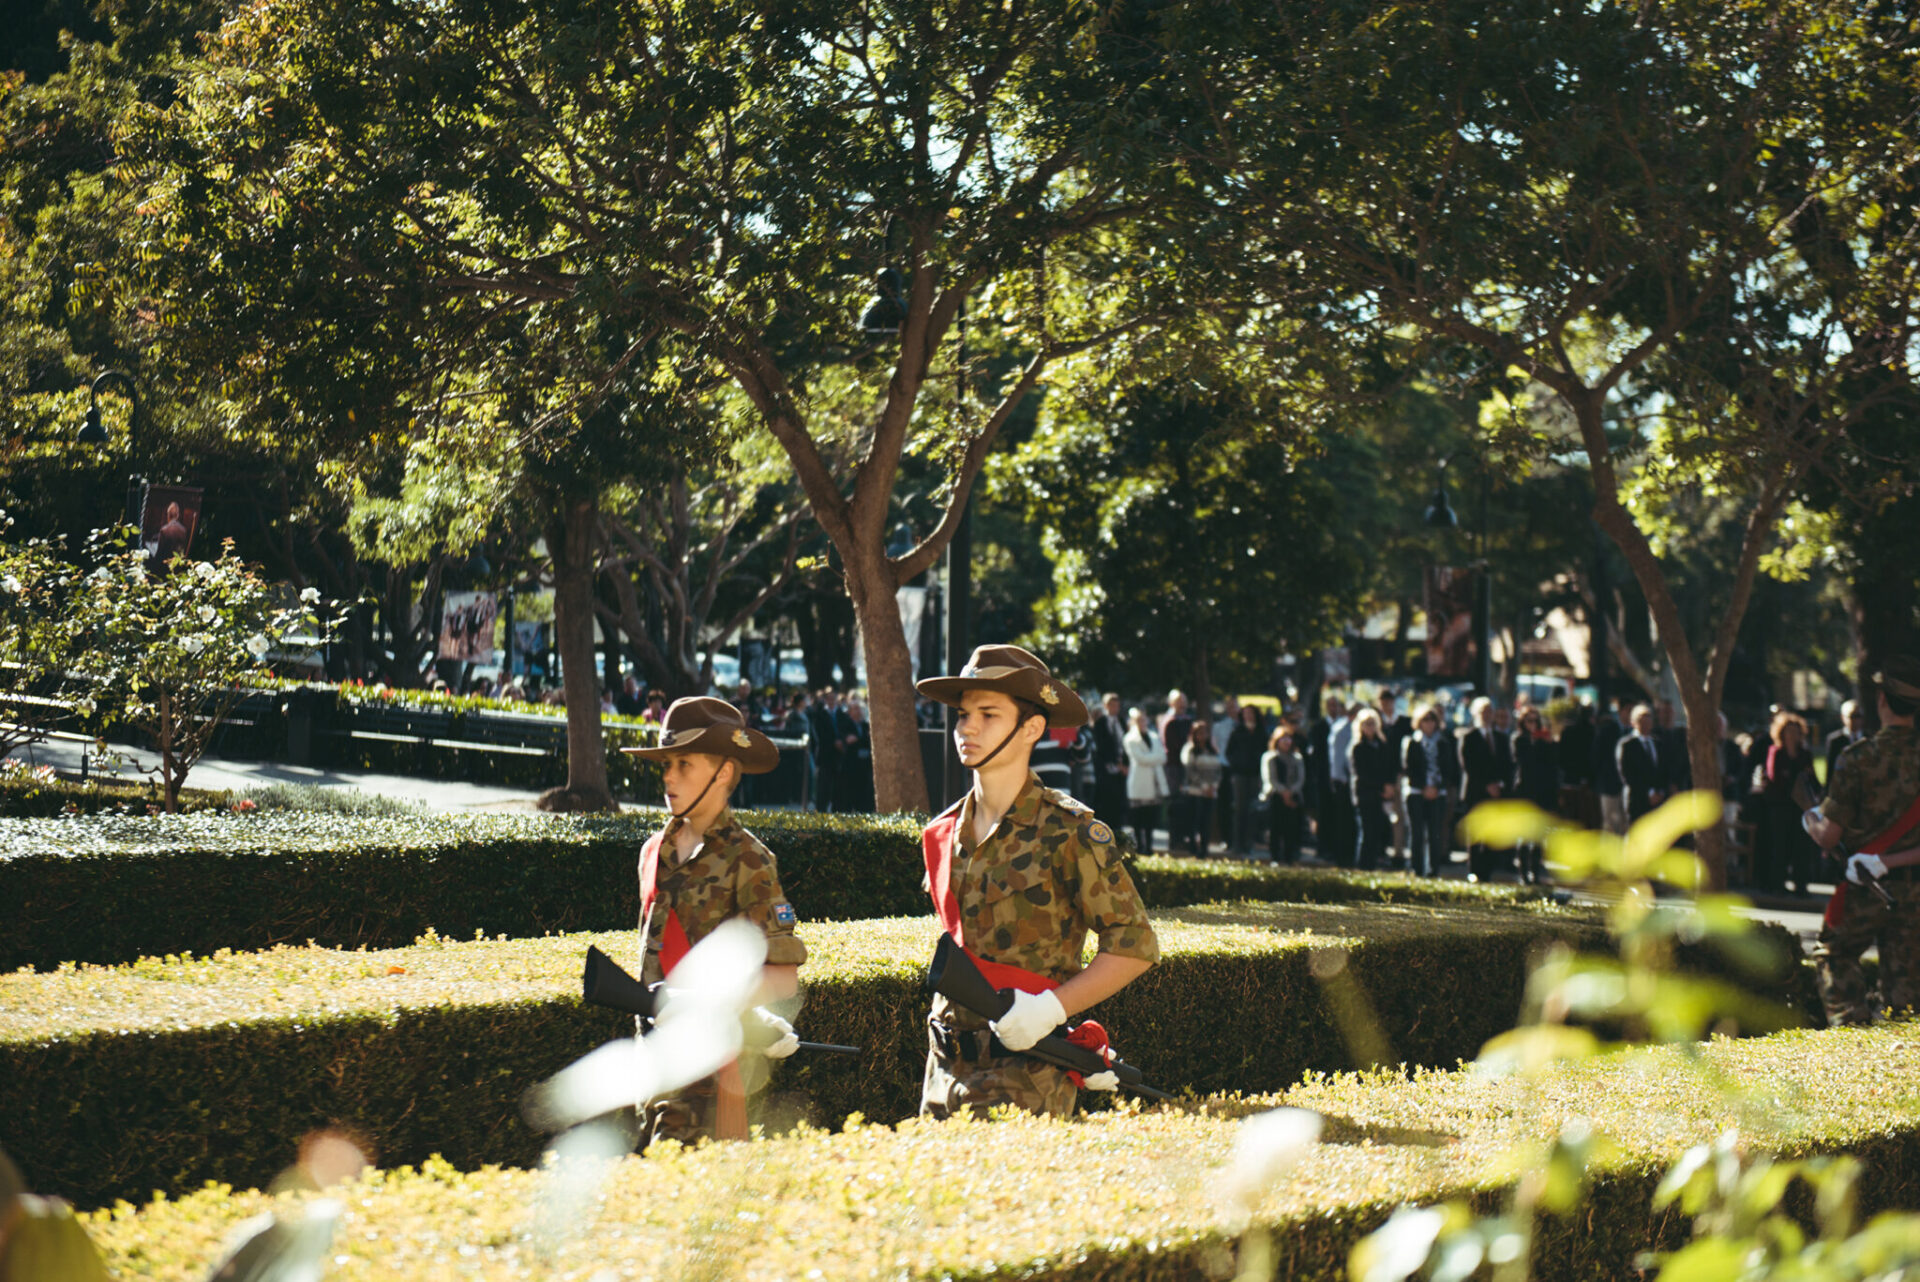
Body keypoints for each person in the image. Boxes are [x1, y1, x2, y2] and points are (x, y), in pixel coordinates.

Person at [915, 644, 1159, 1117]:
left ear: (1031, 728)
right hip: (941, 1072)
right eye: (964, 714)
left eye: (988, 714)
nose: (966, 727)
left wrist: (1053, 1009)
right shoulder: (943, 832)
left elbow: (1135, 945)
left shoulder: (1069, 832)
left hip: (1026, 1079)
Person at [620, 697, 809, 1144]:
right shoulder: (653, 853)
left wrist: (712, 1002)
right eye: (666, 763)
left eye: (684, 763)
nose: (668, 776)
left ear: (723, 772)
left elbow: (782, 977)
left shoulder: (750, 860)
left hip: (708, 1084)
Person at [1805, 656, 1920, 1025]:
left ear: (1882, 701)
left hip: (1864, 888)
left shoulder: (1857, 758)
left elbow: (1829, 837)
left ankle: (1853, 1035)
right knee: (1907, 991)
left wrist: (1810, 822)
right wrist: (1891, 861)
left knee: (1832, 954)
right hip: (1914, 890)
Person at [1761, 711, 1817, 894]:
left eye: (1796, 732)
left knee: (1801, 846)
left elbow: (1812, 779)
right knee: (1780, 845)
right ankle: (1777, 883)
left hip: (1800, 808)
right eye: (1789, 732)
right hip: (1780, 805)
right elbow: (1775, 777)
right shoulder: (1776, 752)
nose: (1792, 736)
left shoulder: (1805, 754)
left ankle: (1801, 885)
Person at [1402, 705, 1460, 877]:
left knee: (1435, 833)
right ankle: (1416, 869)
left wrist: (1437, 787)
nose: (1429, 724)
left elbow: (1449, 769)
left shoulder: (1443, 743)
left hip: (1438, 793)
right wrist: (1423, 787)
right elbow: (1409, 768)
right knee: (1417, 833)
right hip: (1416, 793)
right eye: (1425, 720)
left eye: (1432, 720)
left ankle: (1434, 870)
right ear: (1419, 722)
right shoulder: (1412, 742)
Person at [1460, 696, 1511, 882]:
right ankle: (1473, 870)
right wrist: (1486, 785)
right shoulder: (1469, 737)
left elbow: (1507, 765)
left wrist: (1500, 785)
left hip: (1496, 793)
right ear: (1475, 714)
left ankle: (1487, 871)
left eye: (1490, 712)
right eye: (1483, 712)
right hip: (1476, 791)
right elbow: (1469, 765)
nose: (1487, 715)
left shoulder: (1501, 738)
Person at [1511, 705, 1560, 884]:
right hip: (1525, 792)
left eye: (1535, 720)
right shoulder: (1519, 739)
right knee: (1524, 834)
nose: (1532, 724)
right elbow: (1523, 761)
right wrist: (1534, 742)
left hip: (1542, 792)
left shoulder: (1544, 740)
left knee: (1539, 835)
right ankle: (1523, 871)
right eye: (1528, 721)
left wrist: (1548, 742)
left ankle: (1536, 872)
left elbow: (1553, 762)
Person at [1349, 708, 1396, 872]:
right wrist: (1381, 787)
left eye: (1372, 723)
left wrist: (1389, 786)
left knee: (1378, 831)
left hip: (1381, 795)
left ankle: (1374, 863)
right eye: (1366, 724)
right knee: (1367, 832)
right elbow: (1361, 773)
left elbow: (1390, 767)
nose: (1369, 727)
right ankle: (1363, 866)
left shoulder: (1383, 745)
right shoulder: (1358, 747)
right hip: (1365, 794)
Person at [1376, 690, 1414, 867]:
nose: (1386, 705)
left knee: (1402, 816)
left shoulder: (1405, 723)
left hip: (1401, 776)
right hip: (1382, 779)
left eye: (1389, 701)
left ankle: (1401, 853)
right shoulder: (1377, 724)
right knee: (1386, 816)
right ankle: (1385, 851)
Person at [1123, 707, 1168, 853]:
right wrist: (1155, 758)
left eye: (1144, 719)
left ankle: (1149, 846)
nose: (1142, 722)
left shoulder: (1154, 736)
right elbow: (1140, 759)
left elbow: (1163, 756)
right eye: (1139, 720)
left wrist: (1153, 758)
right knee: (1138, 817)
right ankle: (1139, 846)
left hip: (1153, 783)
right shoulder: (1130, 738)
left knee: (1150, 816)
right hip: (1139, 782)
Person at [1224, 704, 1266, 855]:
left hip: (1255, 775)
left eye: (1251, 713)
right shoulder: (1237, 732)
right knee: (1239, 809)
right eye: (1245, 713)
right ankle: (1237, 844)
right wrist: (1238, 764)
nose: (1248, 716)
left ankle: (1249, 843)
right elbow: (1229, 753)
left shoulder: (1261, 732)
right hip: (1240, 775)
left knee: (1252, 810)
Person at [1261, 726, 1306, 863]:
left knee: (1291, 829)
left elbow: (1300, 779)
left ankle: (1289, 857)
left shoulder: (1297, 758)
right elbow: (1270, 779)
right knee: (1275, 829)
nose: (1286, 742)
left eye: (1288, 738)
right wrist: (1283, 793)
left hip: (1293, 797)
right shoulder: (1270, 757)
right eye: (1283, 739)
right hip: (1276, 796)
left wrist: (1291, 792)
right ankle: (1275, 857)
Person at [1617, 703, 1669, 823]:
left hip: (1658, 802)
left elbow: (1663, 769)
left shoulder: (1658, 743)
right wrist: (1648, 793)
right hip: (1638, 801)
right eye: (1642, 720)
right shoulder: (1627, 745)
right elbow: (1627, 774)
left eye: (1648, 719)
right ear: (1634, 722)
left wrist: (1660, 792)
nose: (1646, 723)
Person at [1320, 696, 1356, 866]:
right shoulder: (1342, 730)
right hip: (1342, 783)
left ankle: (1349, 855)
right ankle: (1341, 857)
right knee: (1342, 821)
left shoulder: (1351, 728)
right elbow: (1336, 759)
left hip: (1351, 782)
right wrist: (1340, 781)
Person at [1159, 692, 1194, 850]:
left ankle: (1183, 837)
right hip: (1173, 766)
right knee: (1175, 802)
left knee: (1185, 803)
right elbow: (1174, 745)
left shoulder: (1187, 720)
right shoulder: (1169, 721)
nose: (1182, 705)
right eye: (1179, 702)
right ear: (1172, 703)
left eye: (1184, 702)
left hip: (1186, 766)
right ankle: (1175, 839)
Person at [1091, 693, 1131, 830]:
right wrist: (1115, 762)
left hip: (1121, 770)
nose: (1115, 708)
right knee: (1107, 802)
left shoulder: (1121, 722)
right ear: (1105, 706)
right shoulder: (1100, 723)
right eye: (1111, 705)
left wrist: (1125, 765)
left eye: (1117, 705)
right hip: (1107, 769)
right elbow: (1101, 746)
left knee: (1119, 803)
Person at [1592, 698, 1627, 835]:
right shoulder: (1608, 730)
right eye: (1628, 710)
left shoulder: (1632, 732)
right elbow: (1596, 756)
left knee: (1625, 826)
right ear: (1621, 711)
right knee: (1610, 827)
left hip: (1626, 789)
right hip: (1609, 786)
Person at [806, 688, 841, 811]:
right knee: (823, 788)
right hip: (826, 756)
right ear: (826, 700)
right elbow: (821, 735)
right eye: (829, 699)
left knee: (838, 789)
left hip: (839, 757)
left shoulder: (841, 714)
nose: (831, 701)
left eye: (833, 698)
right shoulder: (820, 715)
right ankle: (821, 812)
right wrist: (834, 742)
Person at [1826, 700, 1867, 790]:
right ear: (1843, 718)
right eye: (1852, 716)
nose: (1855, 720)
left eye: (1858, 716)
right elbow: (1830, 771)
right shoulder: (1835, 741)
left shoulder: (1869, 738)